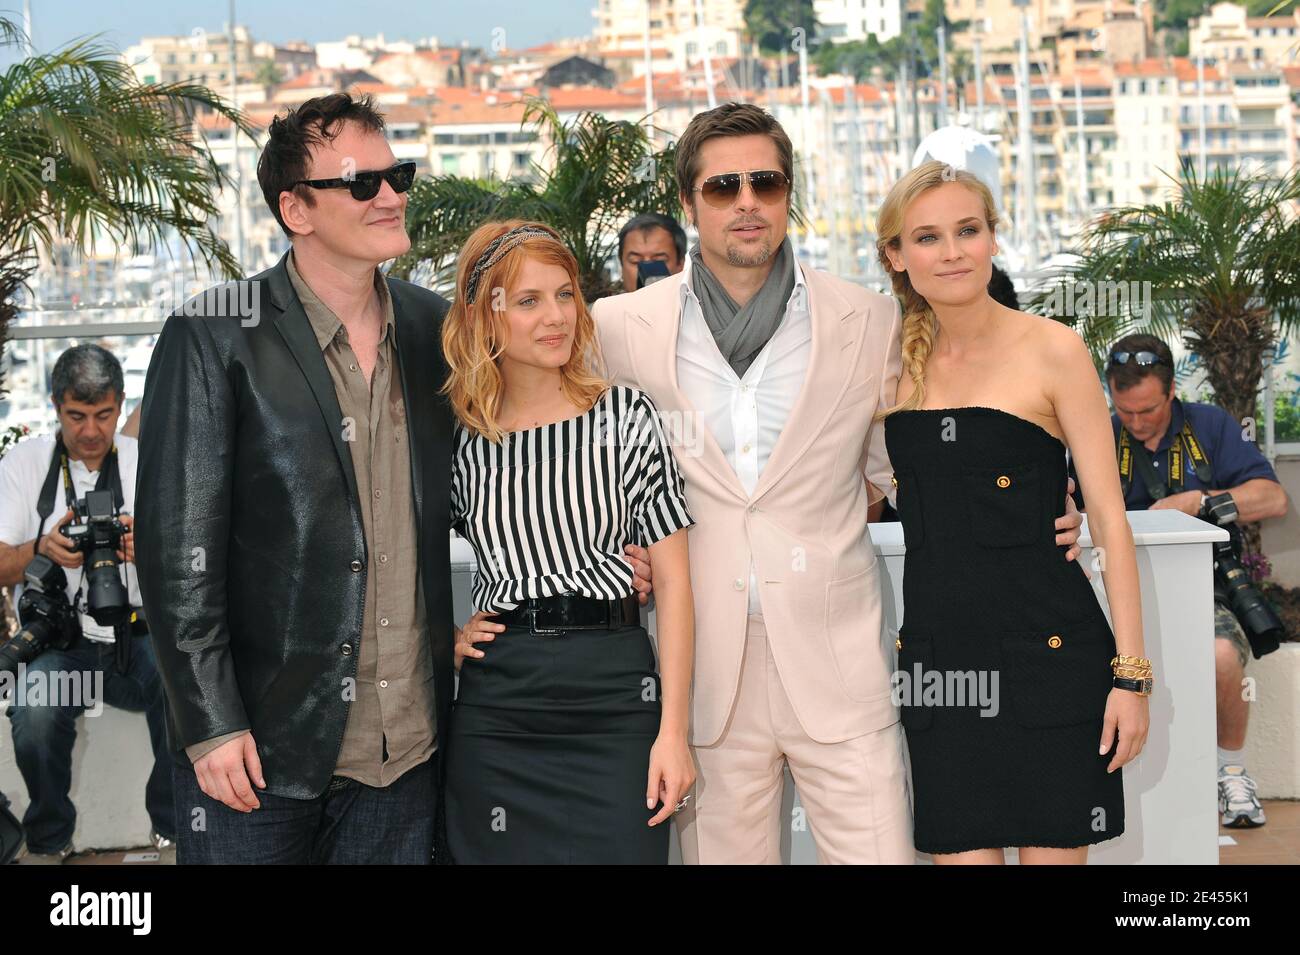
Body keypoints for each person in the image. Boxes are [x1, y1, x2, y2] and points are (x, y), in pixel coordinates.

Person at [592, 103, 1090, 863]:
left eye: (766, 181)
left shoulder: (866, 321)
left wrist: (1040, 502)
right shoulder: (621, 327)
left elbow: (916, 464)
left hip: (843, 663)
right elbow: (571, 453)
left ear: (790, 192)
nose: (748, 201)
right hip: (702, 678)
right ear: (690, 202)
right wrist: (606, 548)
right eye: (723, 187)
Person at [135, 92, 457, 864]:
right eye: (361, 183)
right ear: (296, 209)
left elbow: (491, 487)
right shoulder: (215, 334)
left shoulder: (432, 327)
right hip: (259, 754)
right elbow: (176, 551)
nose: (391, 195)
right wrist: (209, 722)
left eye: (397, 174)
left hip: (407, 750)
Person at [877, 159, 1151, 863]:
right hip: (941, 670)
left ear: (993, 238)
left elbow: (1110, 522)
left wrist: (1131, 676)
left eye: (968, 230)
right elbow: (823, 479)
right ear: (897, 255)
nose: (953, 251)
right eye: (929, 237)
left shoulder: (1053, 350)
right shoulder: (885, 364)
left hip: (1053, 657)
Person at [443, 220, 696, 863]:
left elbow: (674, 585)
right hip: (496, 708)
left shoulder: (627, 414)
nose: (556, 316)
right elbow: (388, 552)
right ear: (485, 317)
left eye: (565, 294)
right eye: (528, 301)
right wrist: (439, 642)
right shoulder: (459, 438)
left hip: (615, 697)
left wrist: (673, 732)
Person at [1071, 333, 1289, 828]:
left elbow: (1272, 499)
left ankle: (1230, 771)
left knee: (1222, 657)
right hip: (1110, 592)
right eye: (1125, 411)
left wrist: (1202, 502)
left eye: (1148, 409)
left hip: (1202, 591)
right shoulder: (1098, 435)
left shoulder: (1210, 425)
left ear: (1171, 393)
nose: (1137, 422)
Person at [0, 344, 175, 862]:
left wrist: (147, 549)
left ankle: (171, 830)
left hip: (137, 638)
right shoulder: (27, 463)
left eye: (103, 415)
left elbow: (197, 559)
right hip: (61, 643)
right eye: (76, 416)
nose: (92, 431)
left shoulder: (147, 462)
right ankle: (50, 840)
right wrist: (40, 549)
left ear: (120, 406)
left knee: (187, 686)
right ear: (55, 406)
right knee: (32, 713)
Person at [617, 212, 686, 292]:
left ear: (681, 264)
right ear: (622, 266)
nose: (646, 271)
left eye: (660, 260)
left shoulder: (698, 303)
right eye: (635, 261)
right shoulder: (605, 304)